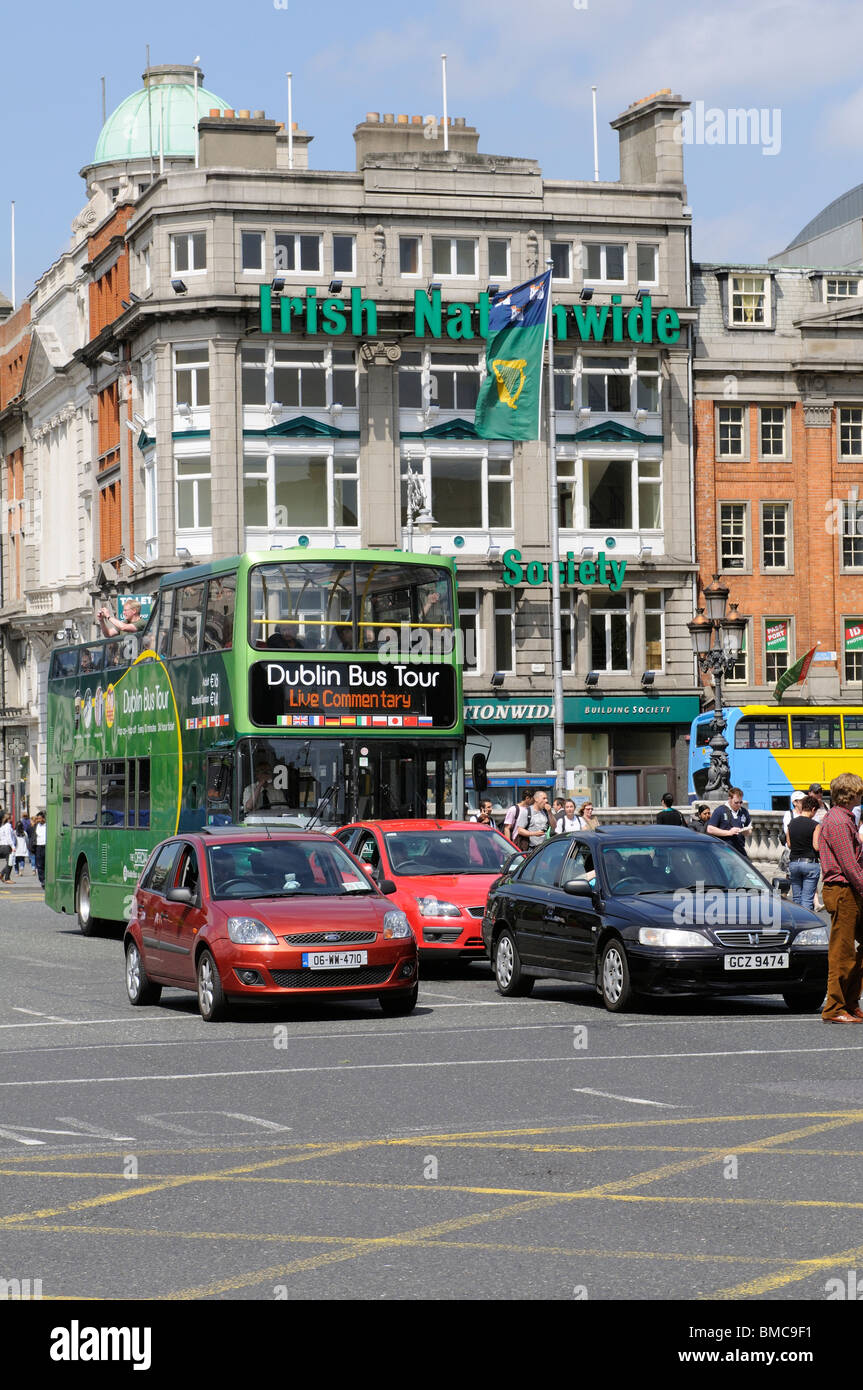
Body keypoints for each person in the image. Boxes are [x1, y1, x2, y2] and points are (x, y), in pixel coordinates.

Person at [816, 772, 863, 1023]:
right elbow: (849, 865)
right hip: (843, 889)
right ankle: (835, 1008)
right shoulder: (838, 821)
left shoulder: (843, 818)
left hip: (847, 889)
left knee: (847, 950)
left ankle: (850, 1001)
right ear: (850, 793)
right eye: (859, 791)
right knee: (842, 952)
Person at [786, 795, 821, 912]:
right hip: (809, 863)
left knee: (796, 898)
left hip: (794, 863)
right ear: (813, 809)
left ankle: (797, 923)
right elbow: (816, 846)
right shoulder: (815, 825)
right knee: (807, 900)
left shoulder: (791, 823)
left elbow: (789, 844)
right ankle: (805, 926)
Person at [707, 787, 752, 857]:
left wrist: (745, 831)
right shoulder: (720, 810)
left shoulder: (744, 812)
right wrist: (729, 832)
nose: (739, 805)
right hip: (724, 850)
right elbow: (710, 829)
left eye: (741, 802)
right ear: (729, 799)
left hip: (740, 849)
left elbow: (749, 830)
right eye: (736, 802)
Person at [33, 812, 47, 887]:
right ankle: (42, 880)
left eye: (39, 818)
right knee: (39, 865)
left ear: (43, 818)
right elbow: (33, 836)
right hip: (38, 847)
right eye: (37, 818)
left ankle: (47, 879)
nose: (38, 820)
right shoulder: (36, 826)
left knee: (46, 863)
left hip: (46, 846)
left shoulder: (48, 826)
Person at [0, 814, 14, 882]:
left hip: (2, 845)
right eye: (12, 818)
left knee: (9, 862)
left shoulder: (2, 827)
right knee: (10, 862)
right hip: (7, 846)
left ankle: (2, 874)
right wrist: (13, 846)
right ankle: (7, 878)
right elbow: (9, 837)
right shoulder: (8, 826)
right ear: (9, 818)